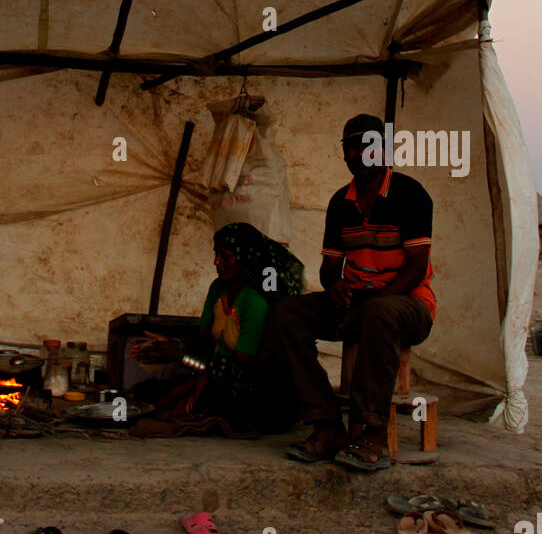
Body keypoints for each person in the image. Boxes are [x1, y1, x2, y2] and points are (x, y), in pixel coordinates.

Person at [269, 113, 435, 472]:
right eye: (350, 147)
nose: (357, 154)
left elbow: (416, 269)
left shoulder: (410, 194)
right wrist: (337, 286)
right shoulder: (340, 203)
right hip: (359, 303)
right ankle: (326, 423)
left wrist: (369, 302)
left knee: (379, 312)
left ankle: (372, 434)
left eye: (366, 146)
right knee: (286, 313)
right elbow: (329, 268)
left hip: (410, 305)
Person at [130, 222, 303, 435]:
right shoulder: (218, 288)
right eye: (216, 254)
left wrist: (180, 357)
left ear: (246, 259)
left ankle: (192, 417)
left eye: (225, 256)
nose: (216, 261)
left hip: (253, 389)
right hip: (217, 377)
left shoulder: (257, 301)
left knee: (206, 400)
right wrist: (171, 345)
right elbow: (201, 340)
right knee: (144, 393)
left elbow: (238, 370)